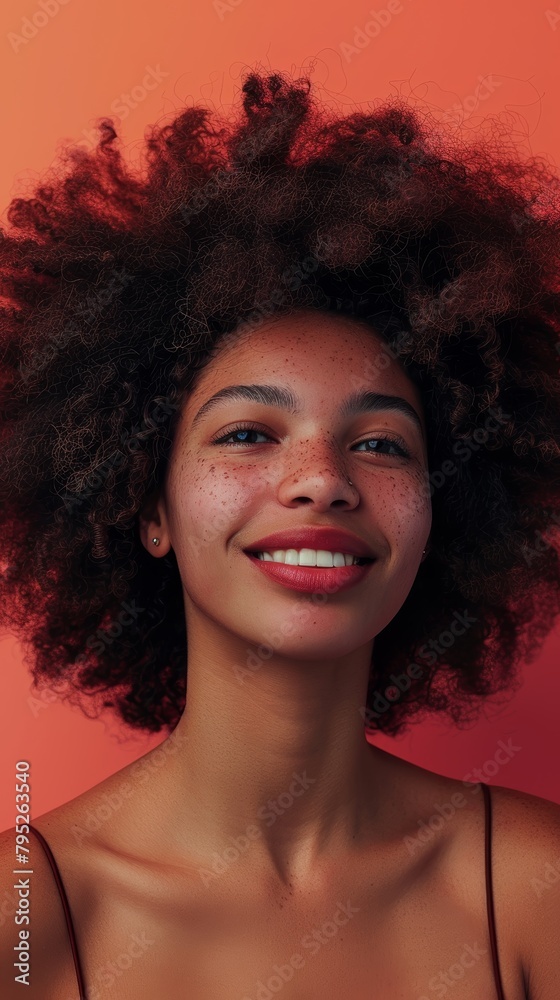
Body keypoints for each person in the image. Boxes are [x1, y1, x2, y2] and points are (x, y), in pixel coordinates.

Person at [0, 69, 559, 999]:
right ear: (148, 507)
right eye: (248, 434)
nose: (323, 481)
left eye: (380, 444)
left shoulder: (534, 892)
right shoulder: (29, 919)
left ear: (447, 511)